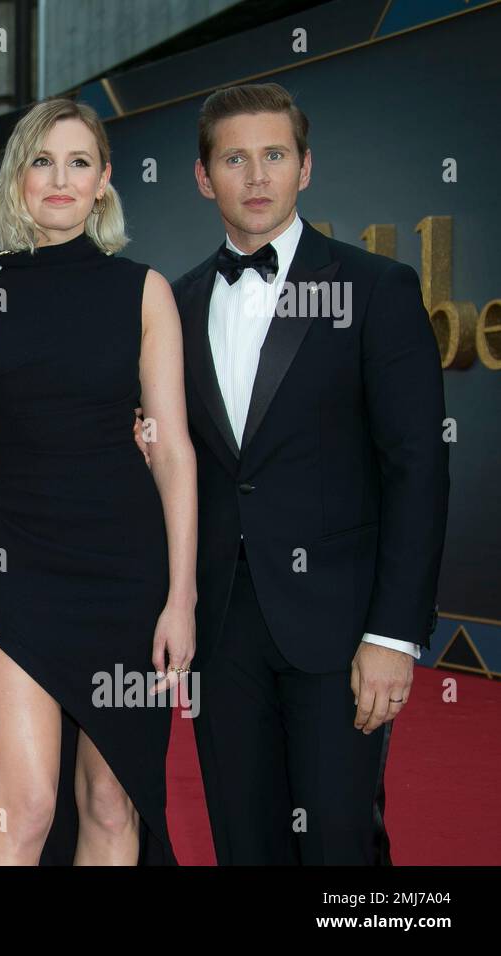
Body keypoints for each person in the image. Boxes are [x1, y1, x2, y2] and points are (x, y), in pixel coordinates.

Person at [170, 82, 449, 864]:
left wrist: (394, 635)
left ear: (305, 168)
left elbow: (417, 470)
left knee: (340, 845)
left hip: (340, 629)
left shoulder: (375, 289)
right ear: (203, 177)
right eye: (234, 158)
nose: (256, 176)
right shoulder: (178, 304)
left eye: (274, 155)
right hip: (222, 634)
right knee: (244, 843)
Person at [0, 99, 197, 865]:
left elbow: (170, 450)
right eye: (42, 161)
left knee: (110, 795)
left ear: (104, 183)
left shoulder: (143, 290)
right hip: (15, 563)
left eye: (79, 163)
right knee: (22, 804)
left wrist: (182, 597)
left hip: (125, 569)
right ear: (17, 177)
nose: (60, 179)